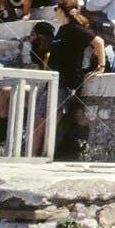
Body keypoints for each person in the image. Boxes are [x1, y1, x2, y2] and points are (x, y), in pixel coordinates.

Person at [30, 11, 104, 156]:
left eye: (57, 8)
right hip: (53, 84)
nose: (55, 11)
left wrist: (101, 66)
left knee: (51, 125)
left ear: (63, 11)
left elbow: (99, 42)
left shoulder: (75, 30)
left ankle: (44, 156)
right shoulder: (62, 31)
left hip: (64, 85)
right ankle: (32, 156)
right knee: (39, 125)